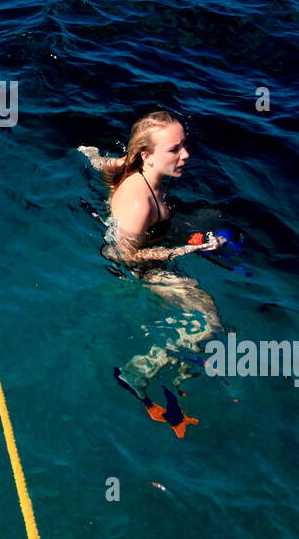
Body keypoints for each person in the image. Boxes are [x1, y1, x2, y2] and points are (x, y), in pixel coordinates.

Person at [79, 110, 227, 437]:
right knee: (207, 319)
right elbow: (125, 254)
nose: (186, 155)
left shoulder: (133, 165)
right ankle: (135, 373)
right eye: (174, 149)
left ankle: (179, 371)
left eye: (184, 146)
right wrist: (187, 250)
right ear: (147, 156)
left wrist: (87, 153)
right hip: (138, 268)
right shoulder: (138, 203)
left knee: (212, 216)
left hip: (151, 243)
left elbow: (104, 162)